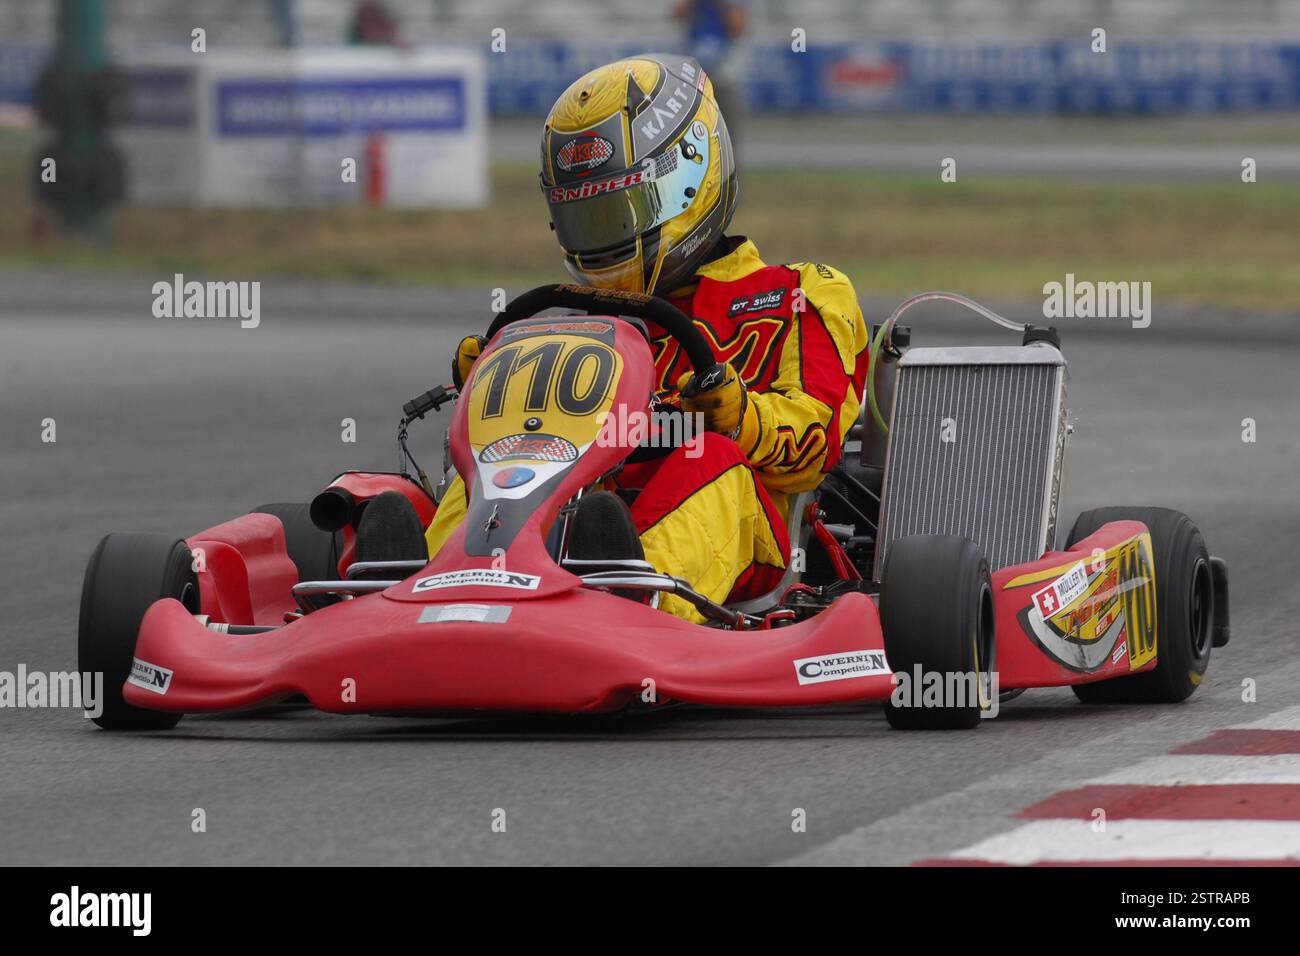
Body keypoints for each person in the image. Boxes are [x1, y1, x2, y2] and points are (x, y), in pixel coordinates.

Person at [425, 54, 868, 623]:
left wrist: (738, 419)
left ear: (688, 178)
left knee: (707, 453)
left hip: (743, 542)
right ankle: (436, 587)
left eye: (619, 214)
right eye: (590, 221)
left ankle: (633, 602)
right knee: (500, 455)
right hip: (568, 515)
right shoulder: (578, 323)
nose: (604, 242)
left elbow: (813, 450)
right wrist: (496, 390)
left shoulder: (800, 292)